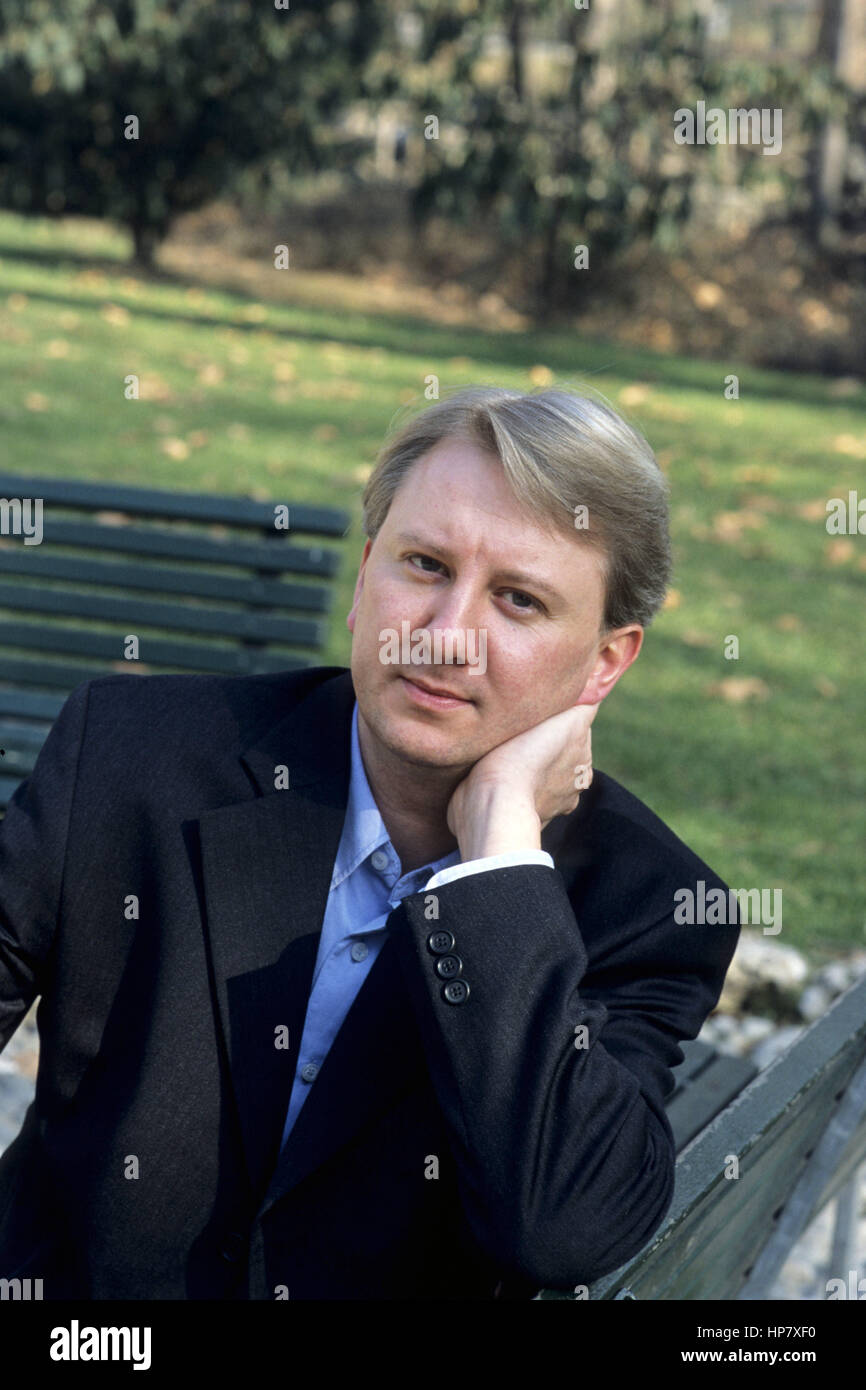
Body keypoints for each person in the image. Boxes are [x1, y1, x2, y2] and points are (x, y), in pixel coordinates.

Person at [0, 385, 739, 1300]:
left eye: (518, 599)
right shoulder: (129, 757)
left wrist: (498, 859)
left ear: (605, 662)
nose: (445, 638)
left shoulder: (647, 906)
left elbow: (562, 1230)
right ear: (362, 579)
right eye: (425, 565)